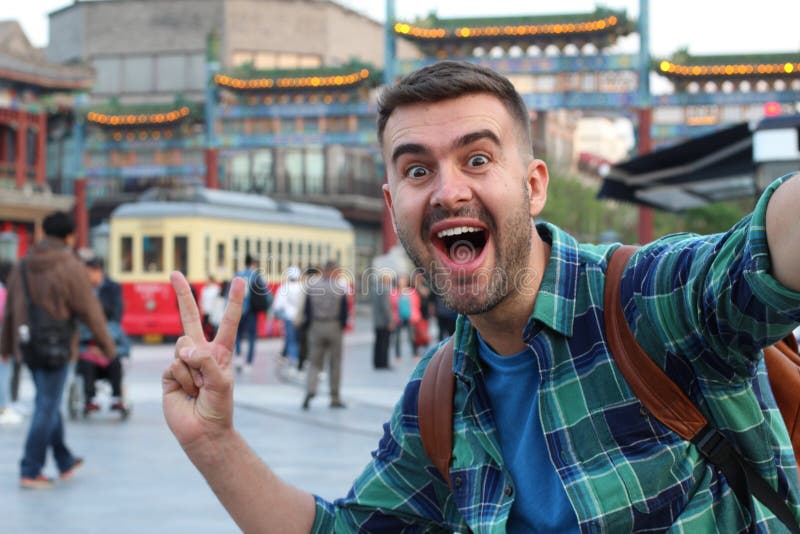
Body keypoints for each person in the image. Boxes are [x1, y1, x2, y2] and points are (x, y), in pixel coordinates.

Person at [161, 61, 800, 532]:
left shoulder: (649, 297)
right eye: (416, 170)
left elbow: (766, 249)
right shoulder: (438, 396)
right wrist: (214, 444)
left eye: (476, 159)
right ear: (392, 206)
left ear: (534, 185)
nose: (446, 191)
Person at [1, 211, 115, 489]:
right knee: (46, 405)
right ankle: (31, 468)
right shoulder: (69, 264)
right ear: (68, 236)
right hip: (58, 346)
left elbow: (10, 310)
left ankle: (63, 459)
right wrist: (108, 346)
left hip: (28, 345)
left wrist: (5, 345)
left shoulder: (24, 264)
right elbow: (89, 309)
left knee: (46, 400)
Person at [77, 257, 130, 414]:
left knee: (115, 362)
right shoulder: (81, 289)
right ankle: (89, 399)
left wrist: (106, 343)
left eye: (88, 273)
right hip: (88, 339)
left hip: (109, 336)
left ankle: (117, 397)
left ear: (98, 271)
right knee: (86, 362)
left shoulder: (113, 288)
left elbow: (117, 313)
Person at [300, 260, 349, 410]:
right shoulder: (340, 288)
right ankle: (335, 397)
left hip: (316, 326)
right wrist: (340, 326)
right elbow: (344, 311)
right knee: (335, 363)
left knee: (314, 362)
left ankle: (310, 390)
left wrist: (309, 326)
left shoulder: (312, 286)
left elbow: (306, 310)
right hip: (334, 326)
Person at [232, 254, 269, 374]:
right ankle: (248, 362)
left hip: (238, 309)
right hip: (252, 311)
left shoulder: (238, 275)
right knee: (252, 336)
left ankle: (238, 356)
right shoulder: (256, 276)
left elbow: (230, 292)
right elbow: (266, 293)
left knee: (237, 334)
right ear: (253, 263)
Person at [0, 261, 23, 425]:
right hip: (2, 337)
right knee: (4, 373)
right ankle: (3, 407)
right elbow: (6, 317)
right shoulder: (2, 292)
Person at [270, 266, 304, 367]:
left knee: (291, 339)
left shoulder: (284, 287)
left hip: (289, 317)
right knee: (297, 340)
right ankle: (285, 355)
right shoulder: (303, 287)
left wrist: (279, 316)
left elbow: (277, 305)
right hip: (300, 318)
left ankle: (294, 359)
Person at [370, 272, 394, 369]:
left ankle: (377, 363)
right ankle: (384, 363)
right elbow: (386, 307)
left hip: (377, 320)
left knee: (378, 343)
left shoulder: (374, 289)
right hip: (384, 321)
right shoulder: (384, 289)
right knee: (384, 343)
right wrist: (390, 321)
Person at [199, 275, 221, 340]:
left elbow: (217, 301)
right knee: (204, 327)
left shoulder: (216, 289)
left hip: (213, 312)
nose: (206, 281)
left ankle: (213, 340)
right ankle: (207, 340)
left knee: (213, 328)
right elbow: (202, 300)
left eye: (207, 280)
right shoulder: (204, 289)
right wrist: (202, 309)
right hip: (206, 312)